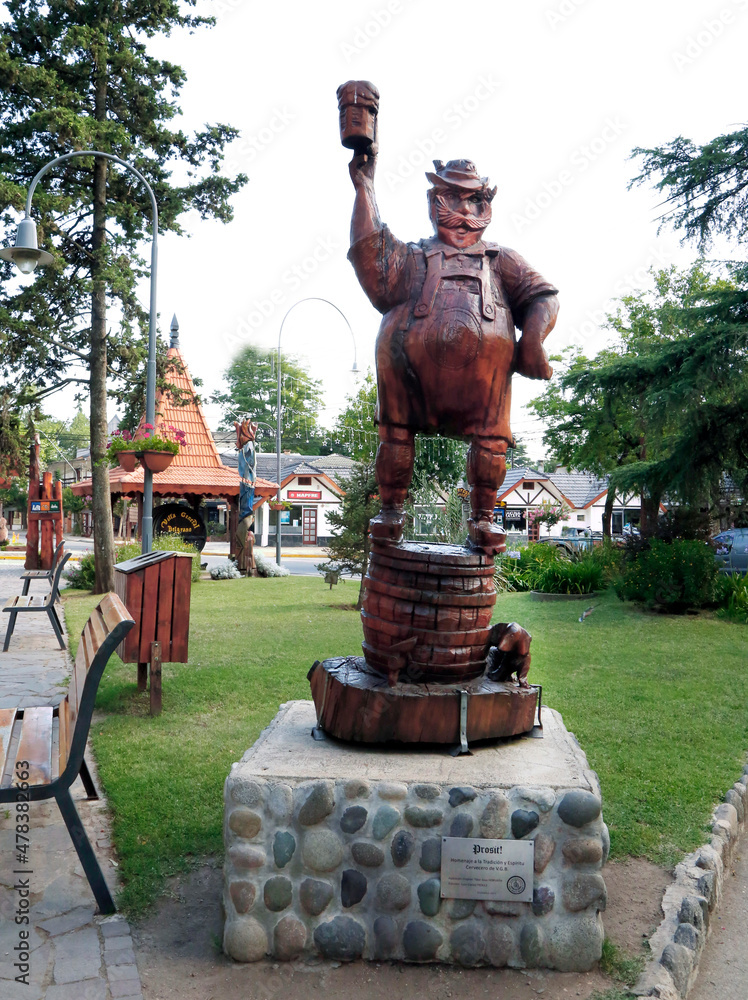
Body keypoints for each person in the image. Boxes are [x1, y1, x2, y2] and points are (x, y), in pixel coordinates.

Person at [347, 153, 559, 553]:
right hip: (408, 380)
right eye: (452, 198)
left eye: (474, 201)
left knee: (490, 446)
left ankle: (482, 516)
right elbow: (370, 255)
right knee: (395, 438)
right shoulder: (412, 257)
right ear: (433, 201)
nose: (463, 211)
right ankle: (391, 511)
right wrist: (365, 188)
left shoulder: (501, 260)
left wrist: (532, 340)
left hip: (484, 389)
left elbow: (543, 297)